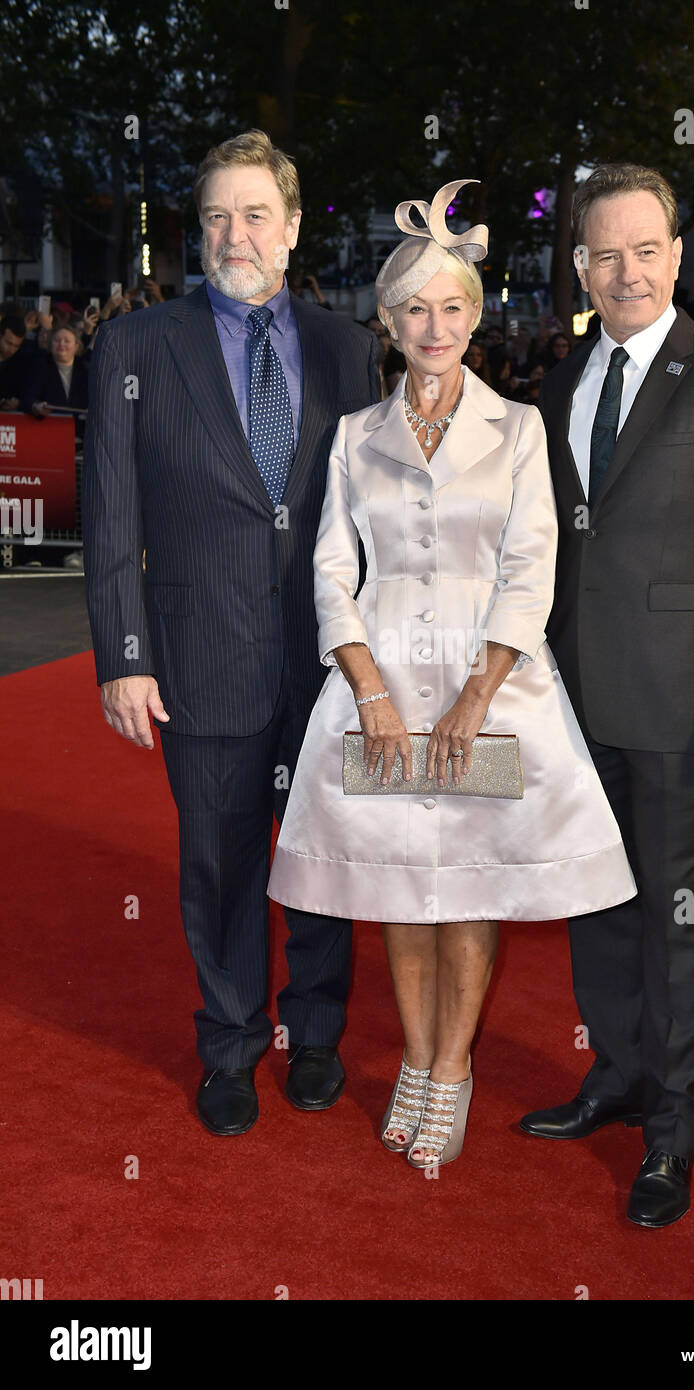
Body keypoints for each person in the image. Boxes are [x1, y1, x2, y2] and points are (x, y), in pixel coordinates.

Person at [267, 179, 635, 1171]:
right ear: (389, 324)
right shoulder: (355, 436)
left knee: (467, 884)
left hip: (492, 685)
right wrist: (370, 693)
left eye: (452, 307)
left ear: (475, 317)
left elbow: (531, 568)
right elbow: (332, 573)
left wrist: (475, 698)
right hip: (378, 684)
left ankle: (452, 1066)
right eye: (415, 310)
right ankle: (415, 1058)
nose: (435, 328)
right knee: (398, 884)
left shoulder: (517, 430)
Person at [82, 129, 380, 1137]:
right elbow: (110, 515)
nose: (233, 234)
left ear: (291, 229)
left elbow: (375, 514)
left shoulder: (347, 349)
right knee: (218, 863)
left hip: (327, 659)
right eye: (216, 216)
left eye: (255, 214)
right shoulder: (135, 347)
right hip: (199, 652)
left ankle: (317, 1031)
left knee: (324, 853)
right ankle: (230, 1042)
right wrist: (124, 656)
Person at [523, 163, 694, 1227]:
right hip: (575, 698)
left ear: (676, 257)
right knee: (596, 900)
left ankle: (674, 1132)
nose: (626, 271)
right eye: (605, 254)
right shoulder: (559, 385)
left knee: (676, 918)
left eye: (645, 250)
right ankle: (619, 1075)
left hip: (684, 701)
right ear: (580, 266)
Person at [21, 324, 89, 439]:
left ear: (76, 346)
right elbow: (28, 397)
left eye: (67, 341)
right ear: (50, 344)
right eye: (57, 340)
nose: (61, 344)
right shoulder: (40, 366)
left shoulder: (85, 370)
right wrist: (36, 406)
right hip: (47, 432)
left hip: (80, 434)